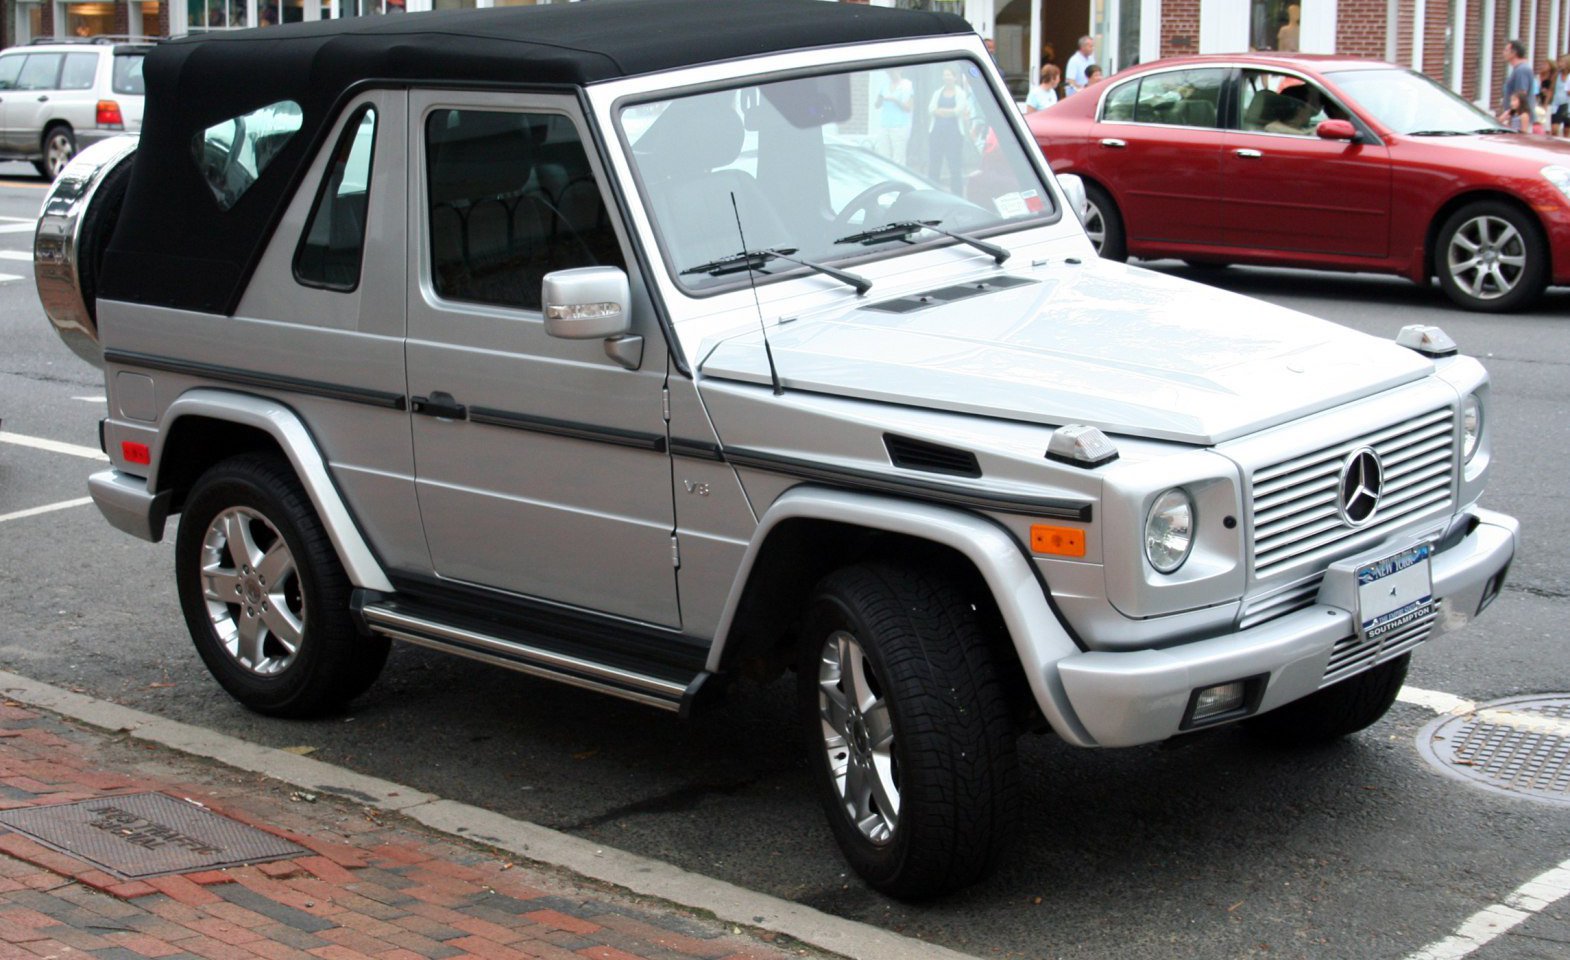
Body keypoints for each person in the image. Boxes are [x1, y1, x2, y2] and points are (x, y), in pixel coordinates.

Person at [926, 67, 970, 194]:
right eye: (945, 75)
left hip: (954, 135)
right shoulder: (937, 93)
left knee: (954, 165)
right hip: (936, 133)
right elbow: (931, 109)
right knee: (935, 164)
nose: (947, 77)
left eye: (949, 75)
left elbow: (958, 111)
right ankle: (932, 192)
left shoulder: (960, 93)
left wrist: (942, 111)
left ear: (955, 77)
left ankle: (957, 193)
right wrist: (944, 112)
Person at [873, 67, 914, 165]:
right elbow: (877, 105)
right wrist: (881, 100)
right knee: (883, 155)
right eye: (889, 72)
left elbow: (908, 107)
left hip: (899, 126)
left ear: (900, 70)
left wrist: (895, 100)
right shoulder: (884, 86)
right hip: (885, 125)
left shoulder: (906, 86)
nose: (891, 74)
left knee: (898, 158)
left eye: (893, 71)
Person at [1499, 40, 1534, 123]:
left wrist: (1509, 114)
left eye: (1506, 50)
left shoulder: (1521, 70)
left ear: (1514, 53)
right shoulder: (1518, 69)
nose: (1503, 53)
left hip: (1519, 120)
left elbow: (1521, 95)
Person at [1553, 55, 1570, 136]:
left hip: (1567, 104)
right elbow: (1551, 89)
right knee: (1554, 128)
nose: (1560, 64)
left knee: (1567, 130)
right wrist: (1546, 103)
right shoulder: (1557, 75)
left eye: (1562, 62)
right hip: (1557, 104)